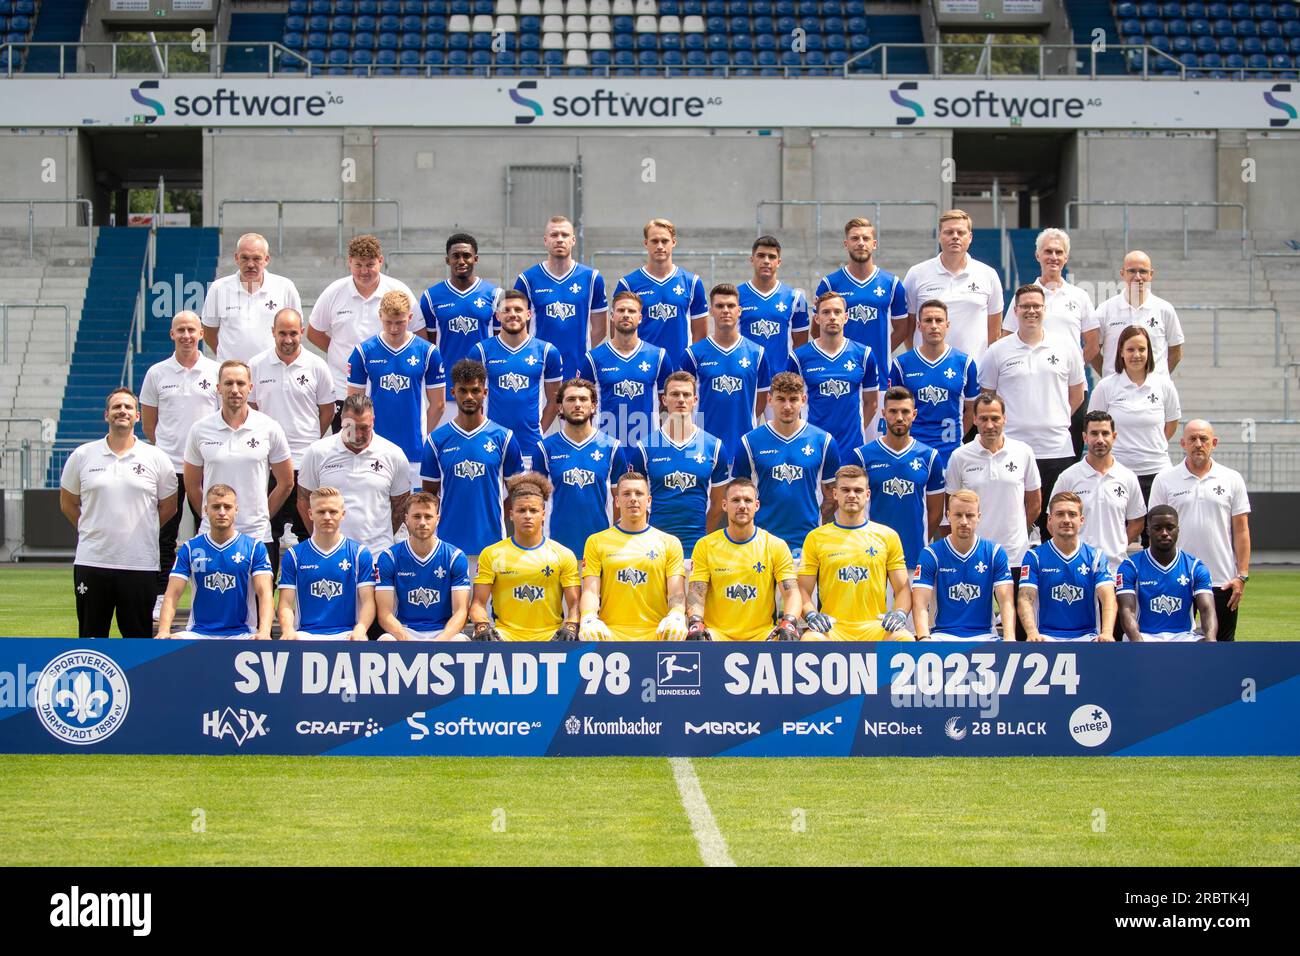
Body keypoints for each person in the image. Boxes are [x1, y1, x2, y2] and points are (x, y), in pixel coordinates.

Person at [60, 387, 177, 638]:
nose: (121, 411)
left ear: (137, 416)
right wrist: (90, 528)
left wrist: (143, 528)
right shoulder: (82, 455)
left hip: (140, 563)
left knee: (137, 641)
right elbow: (68, 503)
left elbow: (168, 507)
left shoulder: (156, 458)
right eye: (116, 407)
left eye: (127, 407)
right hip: (92, 561)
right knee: (91, 638)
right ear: (106, 415)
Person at [979, 283, 1085, 540]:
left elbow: (1077, 394)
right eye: (1025, 306)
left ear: (1044, 309)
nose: (1031, 311)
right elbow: (987, 397)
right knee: (1014, 525)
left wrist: (1053, 419)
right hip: (1011, 450)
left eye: (1036, 306)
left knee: (1057, 527)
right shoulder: (997, 351)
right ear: (1015, 311)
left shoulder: (1066, 347)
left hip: (1056, 450)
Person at [139, 310, 220, 612]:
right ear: (172, 334)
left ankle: (207, 595)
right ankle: (161, 596)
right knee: (164, 534)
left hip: (206, 467)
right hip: (168, 467)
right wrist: (169, 450)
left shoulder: (215, 371)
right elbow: (150, 425)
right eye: (180, 330)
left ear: (202, 334)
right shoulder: (157, 373)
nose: (186, 335)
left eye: (192, 330)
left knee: (211, 531)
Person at [183, 360, 293, 567]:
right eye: (228, 383)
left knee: (261, 599)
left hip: (257, 536)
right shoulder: (199, 430)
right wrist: (212, 517)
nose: (235, 389)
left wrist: (262, 515)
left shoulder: (269, 427)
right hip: (211, 536)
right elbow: (191, 485)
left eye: (241, 384)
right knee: (210, 599)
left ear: (250, 388)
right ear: (218, 388)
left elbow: (286, 482)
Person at [1149, 420, 1251, 642]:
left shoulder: (1231, 478)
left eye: (1203, 439)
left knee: (1221, 647)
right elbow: (1154, 532)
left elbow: (1241, 530)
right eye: (1192, 439)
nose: (1198, 444)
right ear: (1183, 443)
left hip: (1221, 579)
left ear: (1214, 443)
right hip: (1175, 578)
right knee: (1171, 643)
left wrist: (1241, 575)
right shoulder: (1164, 480)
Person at [1001, 228, 1099, 455]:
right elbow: (1005, 340)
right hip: (1029, 387)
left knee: (1068, 459)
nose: (1053, 257)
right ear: (1038, 256)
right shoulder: (1024, 296)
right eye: (1048, 251)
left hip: (1069, 391)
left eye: (1059, 252)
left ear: (1066, 257)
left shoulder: (1080, 296)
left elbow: (1093, 343)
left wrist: (1068, 372)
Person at [248, 307, 334, 568]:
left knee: (309, 531)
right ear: (272, 332)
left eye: (293, 333)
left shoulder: (317, 366)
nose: (288, 339)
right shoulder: (256, 365)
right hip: (268, 465)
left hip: (305, 464)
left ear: (302, 332)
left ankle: (309, 592)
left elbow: (327, 411)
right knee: (268, 531)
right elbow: (251, 410)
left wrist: (308, 443)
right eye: (282, 333)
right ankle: (266, 599)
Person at [307, 234, 420, 431]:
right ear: (349, 262)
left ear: (381, 261)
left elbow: (420, 335)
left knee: (386, 450)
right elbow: (313, 332)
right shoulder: (334, 292)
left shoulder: (398, 289)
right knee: (349, 448)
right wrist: (345, 355)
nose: (364, 271)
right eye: (358, 265)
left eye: (370, 264)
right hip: (343, 389)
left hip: (388, 388)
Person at [420, 359, 527, 567]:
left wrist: (494, 515)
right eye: (463, 390)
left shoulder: (503, 438)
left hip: (492, 546)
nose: (469, 396)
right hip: (448, 547)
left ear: (485, 393)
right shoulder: (436, 440)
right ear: (453, 393)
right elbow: (430, 496)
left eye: (475, 390)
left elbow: (518, 492)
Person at [798, 465, 914, 641]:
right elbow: (803, 589)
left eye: (858, 490)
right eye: (845, 490)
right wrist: (812, 615)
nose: (852, 495)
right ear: (835, 494)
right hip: (833, 627)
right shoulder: (816, 537)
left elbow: (903, 588)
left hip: (875, 627)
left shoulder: (887, 536)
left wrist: (899, 613)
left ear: (867, 495)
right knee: (811, 639)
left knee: (904, 638)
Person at [730, 372, 839, 559]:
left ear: (803, 400)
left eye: (793, 399)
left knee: (803, 590)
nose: (787, 406)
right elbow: (736, 496)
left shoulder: (824, 441)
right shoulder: (749, 442)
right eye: (781, 399)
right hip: (761, 542)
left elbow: (832, 496)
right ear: (769, 399)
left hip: (807, 541)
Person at [623, 371, 729, 560]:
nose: (681, 400)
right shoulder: (645, 448)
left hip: (697, 546)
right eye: (674, 394)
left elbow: (718, 505)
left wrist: (703, 540)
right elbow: (635, 503)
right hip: (654, 548)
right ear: (664, 399)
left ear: (695, 399)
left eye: (686, 395)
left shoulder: (714, 447)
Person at [347, 289, 445, 489]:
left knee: (413, 514)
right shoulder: (363, 352)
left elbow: (439, 404)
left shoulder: (427, 352)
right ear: (380, 316)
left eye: (400, 322)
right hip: (374, 448)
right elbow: (353, 406)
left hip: (414, 451)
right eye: (388, 322)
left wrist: (422, 437)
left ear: (410, 317)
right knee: (377, 511)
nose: (393, 328)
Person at [578, 471, 689, 642]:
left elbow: (676, 592)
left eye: (639, 493)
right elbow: (591, 591)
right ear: (616, 501)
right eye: (626, 494)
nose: (633, 499)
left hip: (656, 634)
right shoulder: (596, 541)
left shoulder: (670, 543)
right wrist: (588, 618)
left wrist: (676, 615)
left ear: (649, 500)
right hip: (610, 635)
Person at [470, 473, 582, 642]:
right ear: (511, 514)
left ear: (543, 515)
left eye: (534, 510)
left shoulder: (563, 554)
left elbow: (574, 604)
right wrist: (482, 626)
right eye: (521, 510)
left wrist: (571, 626)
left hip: (551, 635)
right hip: (505, 636)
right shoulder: (491, 554)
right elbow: (478, 603)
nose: (528, 515)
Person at [686, 478, 802, 642]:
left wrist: (789, 622)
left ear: (757, 505)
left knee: (790, 640)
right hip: (718, 636)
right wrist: (695, 622)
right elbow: (696, 593)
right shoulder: (705, 545)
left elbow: (792, 593)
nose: (742, 505)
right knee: (696, 639)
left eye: (748, 500)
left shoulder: (776, 545)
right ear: (724, 505)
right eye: (735, 500)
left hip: (762, 636)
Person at [296, 394, 410, 556]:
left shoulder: (394, 455)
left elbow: (401, 506)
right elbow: (303, 501)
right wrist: (322, 536)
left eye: (364, 428)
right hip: (329, 553)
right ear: (341, 421)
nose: (357, 435)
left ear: (373, 421)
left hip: (376, 555)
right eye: (351, 427)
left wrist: (378, 539)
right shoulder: (317, 452)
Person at [943, 392, 1041, 579]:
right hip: (973, 554)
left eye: (995, 418)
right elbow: (951, 508)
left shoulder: (1023, 452)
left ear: (1004, 418)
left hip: (1015, 556)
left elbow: (1035, 503)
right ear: (974, 419)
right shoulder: (959, 456)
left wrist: (1017, 531)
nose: (989, 425)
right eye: (983, 419)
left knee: (1012, 609)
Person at [156, 485, 274, 641]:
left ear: (236, 509)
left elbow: (264, 592)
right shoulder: (190, 548)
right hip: (198, 632)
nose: (222, 512)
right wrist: (164, 630)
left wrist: (264, 631)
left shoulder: (254, 548)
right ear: (206, 510)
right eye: (216, 507)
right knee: (170, 642)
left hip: (242, 633)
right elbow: (172, 594)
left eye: (228, 507)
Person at [1087, 324, 1181, 513]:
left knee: (1156, 535)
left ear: (1149, 352)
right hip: (1117, 472)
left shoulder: (1164, 385)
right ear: (1121, 352)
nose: (1136, 355)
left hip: (1157, 471)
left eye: (1141, 349)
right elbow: (1092, 425)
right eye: (1130, 349)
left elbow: (1171, 422)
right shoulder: (1106, 386)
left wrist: (1152, 445)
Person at [850, 386, 945, 571]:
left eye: (905, 411)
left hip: (914, 556)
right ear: (884, 413)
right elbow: (853, 509)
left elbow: (935, 512)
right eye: (893, 411)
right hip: (872, 557)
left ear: (914, 414)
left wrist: (920, 538)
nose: (899, 417)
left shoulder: (930, 457)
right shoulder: (862, 456)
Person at [679, 283, 771, 468]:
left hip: (743, 448)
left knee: (741, 497)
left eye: (730, 306)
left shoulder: (757, 354)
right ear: (711, 311)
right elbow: (683, 403)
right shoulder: (693, 355)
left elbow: (761, 401)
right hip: (702, 449)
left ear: (739, 310)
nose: (726, 311)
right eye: (720, 306)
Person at [532, 378, 624, 559]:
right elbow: (536, 502)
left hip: (600, 551)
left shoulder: (612, 447)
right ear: (560, 407)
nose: (577, 404)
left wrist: (615, 542)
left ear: (594, 406)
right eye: (571, 399)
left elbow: (619, 500)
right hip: (556, 549)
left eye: (583, 399)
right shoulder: (544, 449)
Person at [902, 209, 1003, 365]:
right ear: (939, 236)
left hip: (974, 372)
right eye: (949, 232)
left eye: (960, 232)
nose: (955, 236)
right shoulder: (916, 274)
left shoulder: (988, 275)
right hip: (926, 371)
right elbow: (908, 329)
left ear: (970, 237)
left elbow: (994, 333)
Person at [1051, 410, 1146, 576]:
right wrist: (1071, 550)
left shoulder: (1128, 477)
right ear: (1084, 437)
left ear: (1114, 436)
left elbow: (1137, 521)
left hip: (1115, 569)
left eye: (1105, 433)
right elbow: (1051, 521)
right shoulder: (1068, 477)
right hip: (1078, 569)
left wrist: (1119, 546)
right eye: (1094, 433)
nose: (1100, 440)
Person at [912, 490, 1016, 642]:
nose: (964, 521)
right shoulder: (931, 553)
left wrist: (1010, 637)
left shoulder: (994, 552)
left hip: (985, 635)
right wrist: (923, 638)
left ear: (979, 517)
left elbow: (1006, 601)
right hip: (942, 635)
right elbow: (920, 603)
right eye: (958, 515)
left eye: (970, 515)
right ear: (948, 515)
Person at [788, 291, 880, 460]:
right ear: (817, 318)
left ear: (845, 317)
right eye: (826, 312)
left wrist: (856, 429)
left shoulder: (864, 354)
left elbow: (871, 403)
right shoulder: (799, 358)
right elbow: (792, 405)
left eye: (837, 312)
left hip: (852, 447)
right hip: (812, 447)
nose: (832, 317)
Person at [514, 215, 608, 380]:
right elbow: (519, 328)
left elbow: (601, 328)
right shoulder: (527, 280)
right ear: (545, 240)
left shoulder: (592, 278)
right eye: (554, 235)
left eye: (564, 235)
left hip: (578, 368)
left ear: (573, 240)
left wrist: (582, 349)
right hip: (539, 369)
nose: (559, 239)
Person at [472, 289, 562, 460]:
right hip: (490, 446)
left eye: (518, 310)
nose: (512, 314)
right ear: (497, 316)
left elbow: (555, 400)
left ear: (528, 314)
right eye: (506, 310)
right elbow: (472, 400)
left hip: (530, 447)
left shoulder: (547, 352)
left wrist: (539, 431)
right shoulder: (481, 351)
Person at [418, 232, 499, 424]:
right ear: (447, 260)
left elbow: (499, 342)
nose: (461, 260)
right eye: (456, 256)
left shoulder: (495, 295)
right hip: (446, 386)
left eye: (466, 255)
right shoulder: (431, 297)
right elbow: (428, 344)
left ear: (475, 259)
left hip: (483, 388)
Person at [277, 487, 376, 642]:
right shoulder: (294, 555)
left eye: (333, 512)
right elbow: (285, 603)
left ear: (343, 514)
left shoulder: (359, 554)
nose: (327, 517)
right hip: (306, 634)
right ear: (310, 514)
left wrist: (361, 629)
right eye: (321, 512)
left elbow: (368, 601)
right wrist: (288, 630)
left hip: (347, 634)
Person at [889, 298, 978, 469]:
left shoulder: (965, 363)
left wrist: (957, 436)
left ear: (947, 324)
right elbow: (894, 410)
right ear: (919, 325)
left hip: (951, 452)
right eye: (928, 320)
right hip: (912, 451)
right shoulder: (901, 364)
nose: (934, 325)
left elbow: (971, 409)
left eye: (939, 320)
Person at [1018, 491, 1117, 643]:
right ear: (1050, 520)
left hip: (1087, 636)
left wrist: (1107, 632)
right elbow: (1025, 598)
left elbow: (1108, 597)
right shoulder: (1035, 557)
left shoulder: (1096, 556)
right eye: (1060, 514)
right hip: (1046, 637)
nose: (1066, 520)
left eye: (1072, 514)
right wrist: (1032, 633)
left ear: (1081, 520)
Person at [814, 216, 907, 377]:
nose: (861, 243)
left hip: (880, 373)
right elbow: (816, 330)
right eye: (855, 238)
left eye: (866, 238)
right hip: (841, 370)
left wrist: (878, 353)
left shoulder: (892, 283)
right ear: (846, 244)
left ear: (874, 244)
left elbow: (903, 328)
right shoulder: (830, 283)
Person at [577, 290, 670, 447]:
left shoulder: (659, 356)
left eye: (631, 311)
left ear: (640, 318)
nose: (626, 315)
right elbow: (581, 401)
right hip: (604, 446)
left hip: (647, 446)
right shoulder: (592, 359)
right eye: (621, 310)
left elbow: (665, 401)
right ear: (612, 316)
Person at [375, 492, 471, 642]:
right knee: (385, 640)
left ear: (437, 519)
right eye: (416, 516)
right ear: (406, 518)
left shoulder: (455, 556)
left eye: (428, 516)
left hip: (443, 631)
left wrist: (440, 641)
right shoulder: (389, 557)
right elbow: (384, 613)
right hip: (406, 630)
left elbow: (461, 612)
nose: (422, 522)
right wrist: (409, 641)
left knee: (460, 641)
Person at [615, 217, 707, 368]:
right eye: (654, 241)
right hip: (642, 368)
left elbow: (700, 335)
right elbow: (617, 333)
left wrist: (691, 366)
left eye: (664, 241)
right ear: (646, 243)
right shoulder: (628, 284)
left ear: (674, 242)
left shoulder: (692, 283)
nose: (660, 246)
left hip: (679, 369)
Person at [1116, 505, 1217, 642]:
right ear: (1148, 531)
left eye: (1170, 527)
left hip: (1182, 637)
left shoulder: (1195, 567)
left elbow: (1207, 609)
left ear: (1178, 530)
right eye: (1157, 528)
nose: (1164, 533)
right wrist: (1138, 643)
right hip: (1144, 636)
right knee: (1129, 640)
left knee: (1206, 643)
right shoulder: (1130, 566)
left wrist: (1211, 641)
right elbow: (1127, 610)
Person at [201, 232, 302, 365]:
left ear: (266, 259)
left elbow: (296, 331)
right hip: (232, 376)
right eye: (245, 258)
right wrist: (230, 360)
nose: (250, 264)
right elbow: (209, 332)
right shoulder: (218, 288)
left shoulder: (285, 287)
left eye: (256, 258)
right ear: (236, 258)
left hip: (272, 371)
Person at [1093, 250, 1185, 378]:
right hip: (1116, 394)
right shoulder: (1105, 310)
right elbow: (1093, 351)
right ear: (1122, 274)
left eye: (1143, 271)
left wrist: (1158, 379)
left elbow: (1176, 352)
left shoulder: (1165, 309)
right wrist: (1110, 377)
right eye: (1131, 271)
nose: (1138, 277)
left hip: (1153, 393)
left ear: (1151, 274)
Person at [737, 234, 809, 374]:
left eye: (771, 257)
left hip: (780, 379)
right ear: (752, 260)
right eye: (761, 255)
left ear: (779, 262)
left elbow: (800, 345)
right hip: (746, 376)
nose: (766, 261)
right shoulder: (736, 296)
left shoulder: (795, 298)